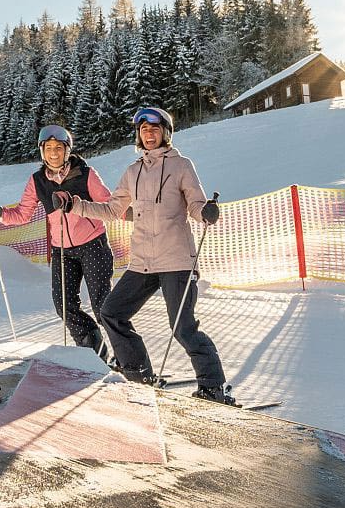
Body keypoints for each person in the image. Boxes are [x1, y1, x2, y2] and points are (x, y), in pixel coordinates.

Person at [61, 106, 235, 405]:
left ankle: (213, 387)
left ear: (165, 133)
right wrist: (75, 206)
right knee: (111, 312)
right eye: (143, 129)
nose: (149, 134)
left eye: (154, 129)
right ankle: (138, 373)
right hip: (142, 262)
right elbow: (113, 210)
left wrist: (206, 211)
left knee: (183, 327)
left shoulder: (182, 166)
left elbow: (195, 205)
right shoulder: (133, 171)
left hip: (176, 260)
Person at [0, 124, 115, 359]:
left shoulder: (86, 174)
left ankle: (127, 358)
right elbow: (22, 214)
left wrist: (81, 207)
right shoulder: (37, 181)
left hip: (93, 244)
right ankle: (94, 353)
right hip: (62, 250)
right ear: (42, 151)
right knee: (64, 306)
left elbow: (109, 206)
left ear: (67, 150)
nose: (54, 153)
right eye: (48, 148)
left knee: (103, 306)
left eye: (58, 148)